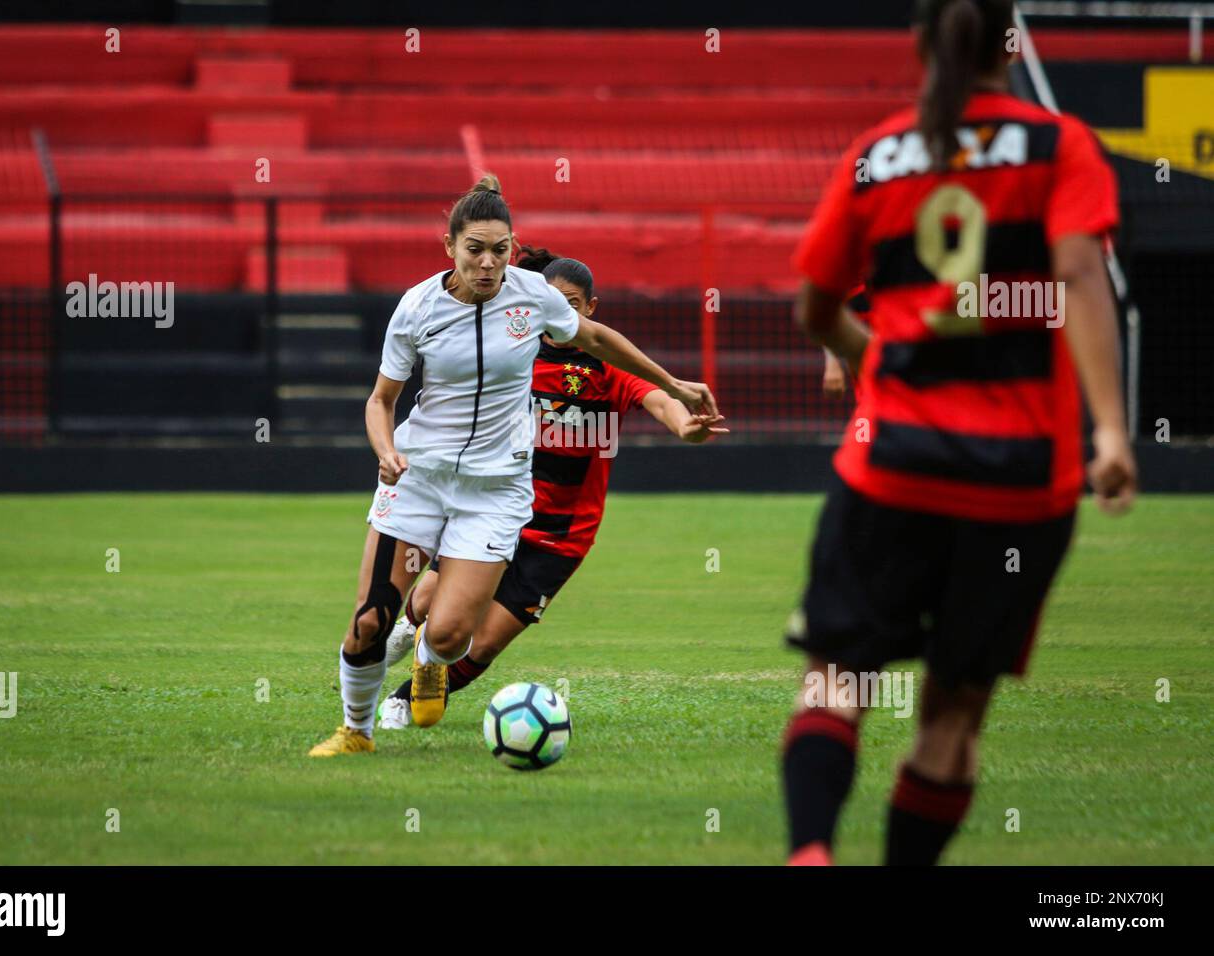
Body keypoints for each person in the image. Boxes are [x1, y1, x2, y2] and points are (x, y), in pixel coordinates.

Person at [780, 0, 1137, 865]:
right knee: (953, 712)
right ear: (1012, 45)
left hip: (893, 464)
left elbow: (814, 306)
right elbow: (1083, 275)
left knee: (838, 677)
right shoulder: (1059, 146)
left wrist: (874, 363)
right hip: (1019, 485)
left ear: (917, 43)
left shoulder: (878, 156)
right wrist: (1113, 432)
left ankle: (811, 853)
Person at [309, 176, 718, 756]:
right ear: (449, 245)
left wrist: (672, 383)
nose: (487, 262)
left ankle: (429, 661)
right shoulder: (415, 308)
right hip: (419, 481)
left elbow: (597, 338)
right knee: (371, 621)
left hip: (495, 490)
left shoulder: (532, 295)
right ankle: (356, 732)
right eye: (475, 248)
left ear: (512, 248)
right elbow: (381, 400)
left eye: (500, 250)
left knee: (451, 637)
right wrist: (385, 451)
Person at [375, 246, 729, 729]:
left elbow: (660, 400)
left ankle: (404, 696)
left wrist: (688, 426)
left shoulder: (611, 369)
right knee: (424, 602)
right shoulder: (516, 357)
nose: (561, 313)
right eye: (553, 301)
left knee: (488, 641)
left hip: (560, 536)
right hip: (495, 508)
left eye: (574, 304)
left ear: (589, 310)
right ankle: (406, 632)